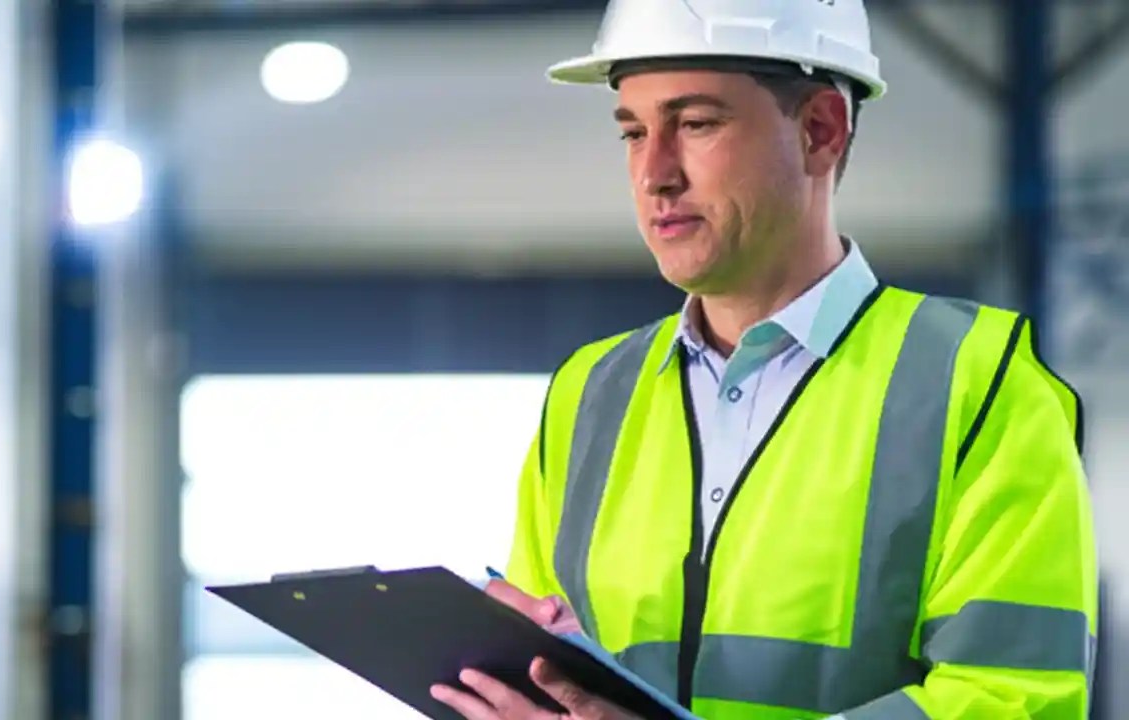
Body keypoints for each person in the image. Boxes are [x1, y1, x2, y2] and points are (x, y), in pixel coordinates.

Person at [430, 0, 1099, 718]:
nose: (655, 173)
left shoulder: (980, 384)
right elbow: (547, 665)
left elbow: (1014, 700)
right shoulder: (590, 393)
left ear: (819, 131)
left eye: (696, 124)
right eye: (632, 131)